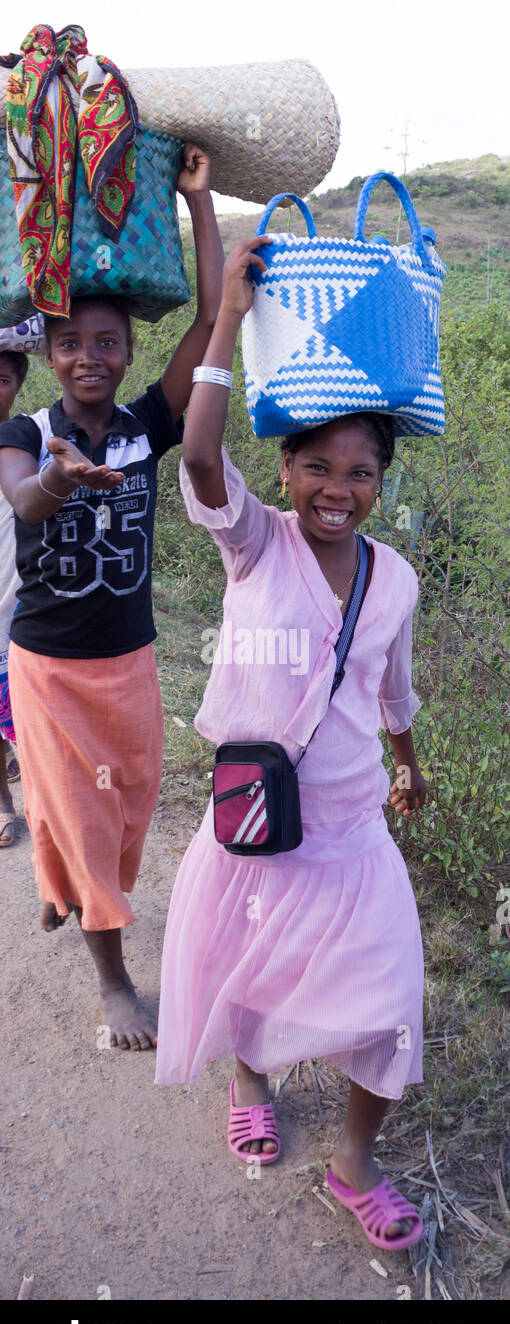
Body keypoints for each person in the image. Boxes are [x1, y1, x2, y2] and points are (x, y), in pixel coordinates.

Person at [155, 238, 428, 1251]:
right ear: (284, 468)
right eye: (318, 465)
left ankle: (356, 1165)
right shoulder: (254, 541)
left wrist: (410, 757)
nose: (337, 488)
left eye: (360, 472)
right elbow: (194, 453)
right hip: (258, 821)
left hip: (353, 831)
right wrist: (227, 314)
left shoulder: (394, 578)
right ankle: (250, 1075)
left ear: (380, 483)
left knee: (392, 998)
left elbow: (393, 684)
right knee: (252, 975)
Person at [0, 144, 224, 1050]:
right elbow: (20, 499)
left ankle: (63, 879)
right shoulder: (27, 429)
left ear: (129, 351)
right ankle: (114, 982)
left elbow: (212, 321)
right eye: (70, 344)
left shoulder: (145, 425)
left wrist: (201, 207)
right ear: (48, 355)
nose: (89, 357)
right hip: (49, 669)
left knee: (127, 805)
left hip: (129, 662)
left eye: (106, 343)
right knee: (90, 818)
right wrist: (61, 482)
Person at [0, 349, 29, 846]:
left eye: (2, 378)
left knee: (34, 722)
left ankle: (50, 817)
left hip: (24, 605)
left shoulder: (29, 439)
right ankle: (3, 804)